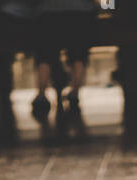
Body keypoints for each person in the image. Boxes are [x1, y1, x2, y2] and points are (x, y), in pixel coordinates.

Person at [28, 0, 97, 136]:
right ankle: (75, 91)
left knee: (45, 53)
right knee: (78, 52)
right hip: (81, 12)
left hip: (48, 13)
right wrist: (109, 8)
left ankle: (41, 94)